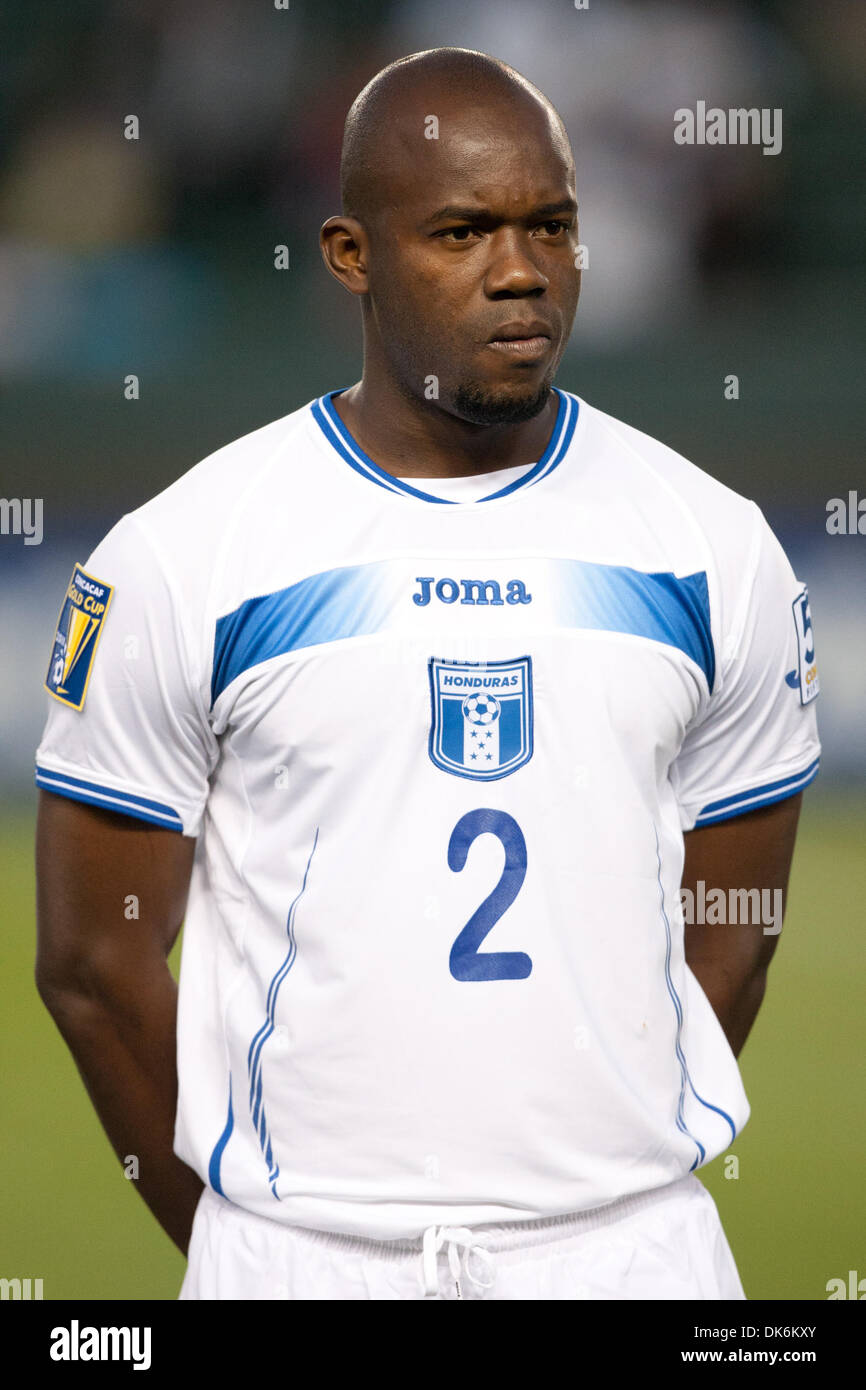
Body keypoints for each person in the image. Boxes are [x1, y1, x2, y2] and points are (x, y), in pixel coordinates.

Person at [35, 48, 820, 1301]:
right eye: (461, 230)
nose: (519, 271)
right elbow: (92, 963)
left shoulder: (707, 544)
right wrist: (255, 1241)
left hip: (632, 1255)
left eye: (549, 227)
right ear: (350, 254)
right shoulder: (190, 555)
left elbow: (728, 944)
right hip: (299, 1263)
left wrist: (580, 1190)